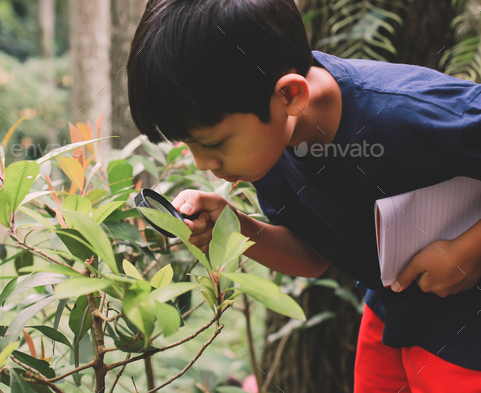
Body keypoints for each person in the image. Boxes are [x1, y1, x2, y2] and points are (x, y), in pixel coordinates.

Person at [126, 0, 481, 391]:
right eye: (188, 144)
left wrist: (468, 249)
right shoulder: (270, 134)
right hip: (391, 315)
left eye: (215, 143)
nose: (202, 164)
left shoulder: (404, 111)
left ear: (291, 95)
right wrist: (233, 226)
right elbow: (312, 257)